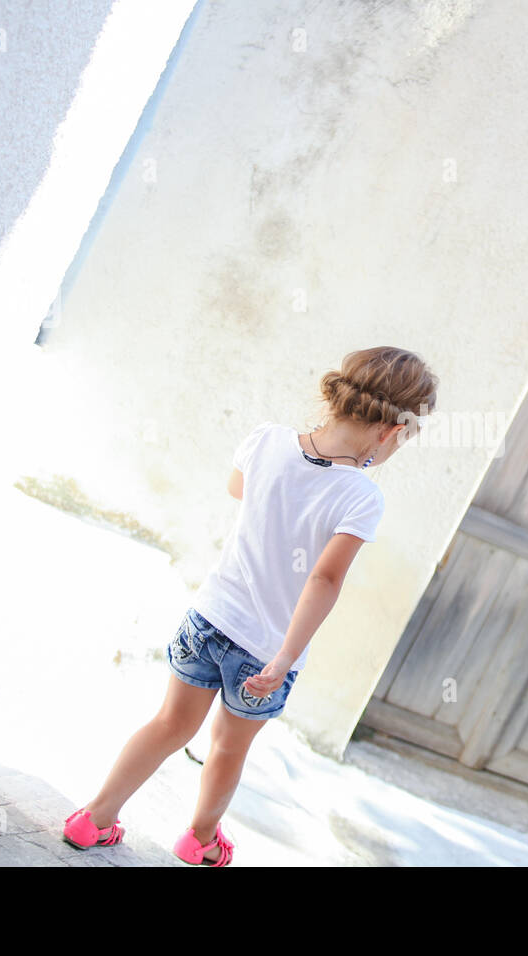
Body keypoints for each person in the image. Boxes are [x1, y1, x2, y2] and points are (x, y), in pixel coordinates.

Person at [61, 346, 438, 865]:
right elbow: (324, 580)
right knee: (227, 746)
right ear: (392, 430)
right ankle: (200, 841)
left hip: (210, 616)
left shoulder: (267, 440)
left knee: (170, 724)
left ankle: (93, 819)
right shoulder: (360, 496)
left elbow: (238, 489)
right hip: (264, 651)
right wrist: (283, 659)